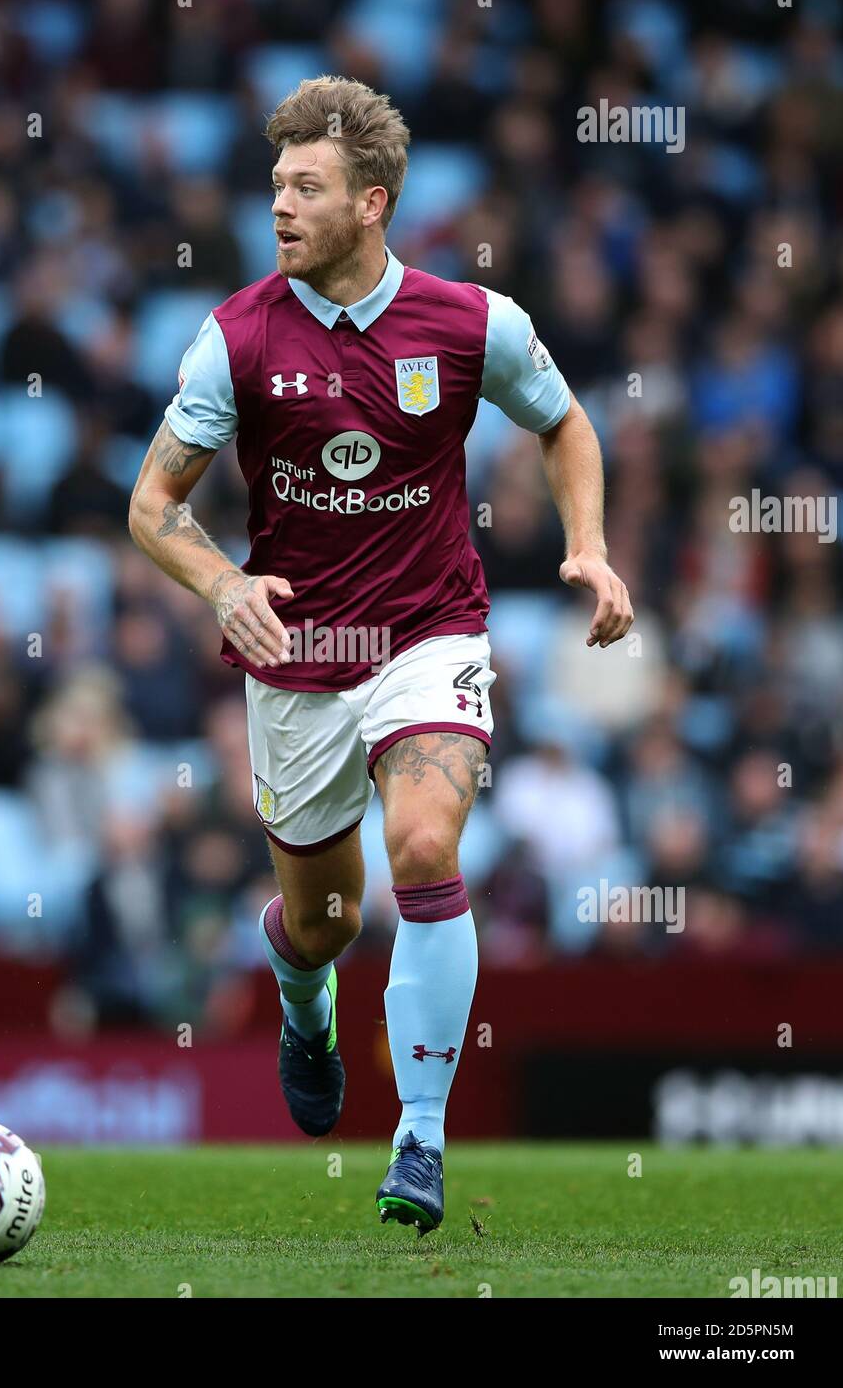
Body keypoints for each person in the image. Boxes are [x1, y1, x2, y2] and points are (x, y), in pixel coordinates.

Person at [128, 75, 634, 1233]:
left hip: (428, 634)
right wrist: (222, 581)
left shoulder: (468, 325)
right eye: (274, 188)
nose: (280, 209)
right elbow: (152, 504)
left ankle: (417, 1138)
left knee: (421, 841)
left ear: (374, 202)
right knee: (325, 923)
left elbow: (562, 422)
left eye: (306, 188)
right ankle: (301, 999)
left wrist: (589, 549)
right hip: (295, 656)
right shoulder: (236, 337)